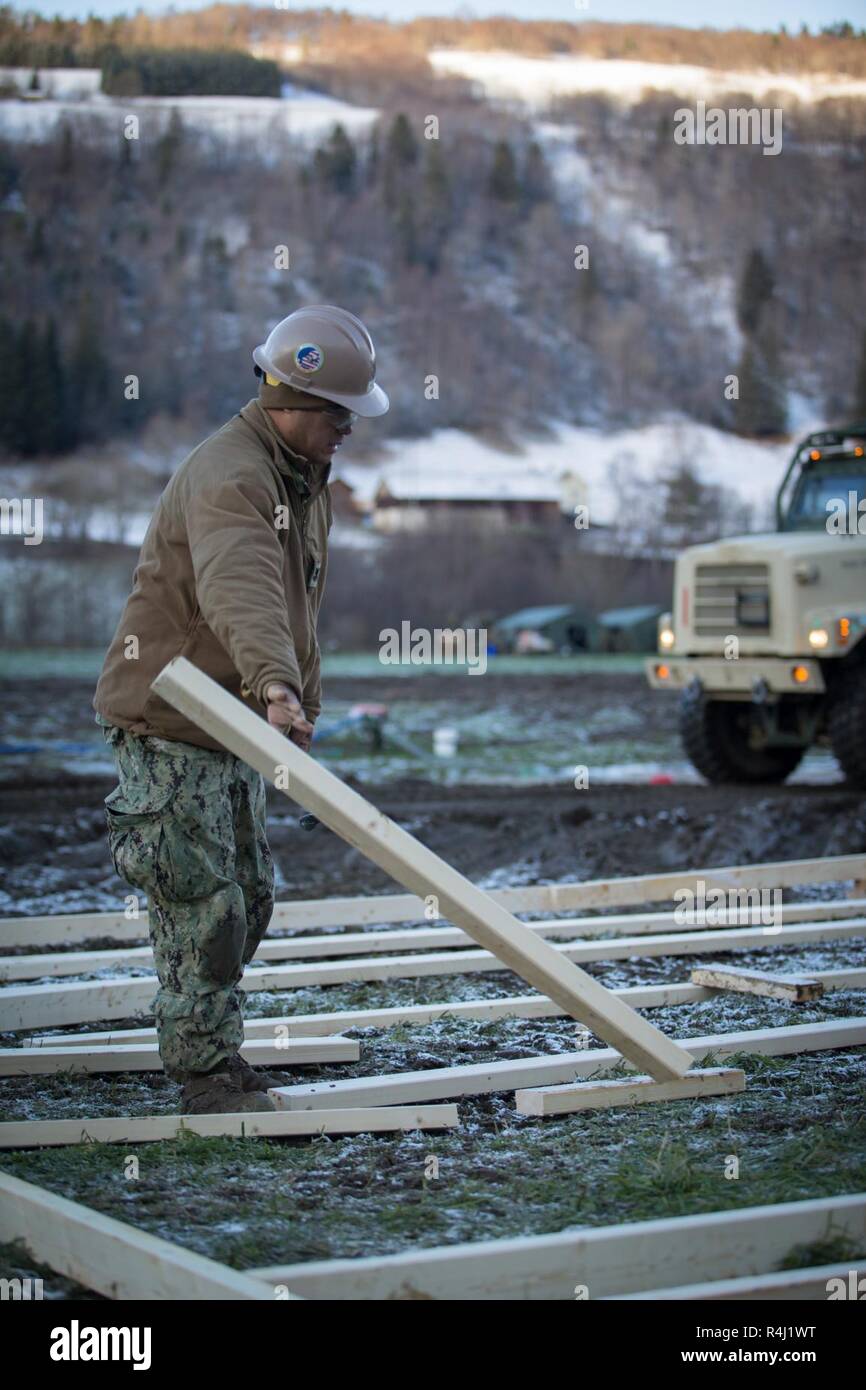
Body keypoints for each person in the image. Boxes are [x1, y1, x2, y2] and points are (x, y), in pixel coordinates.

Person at [93, 305, 389, 1114]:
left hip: (233, 721)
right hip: (173, 718)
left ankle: (213, 1046)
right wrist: (276, 684)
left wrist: (289, 695)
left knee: (251, 896)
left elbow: (293, 604)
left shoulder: (299, 474)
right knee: (204, 899)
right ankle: (206, 1073)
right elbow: (242, 583)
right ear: (289, 397)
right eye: (338, 413)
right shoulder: (234, 473)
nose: (348, 430)